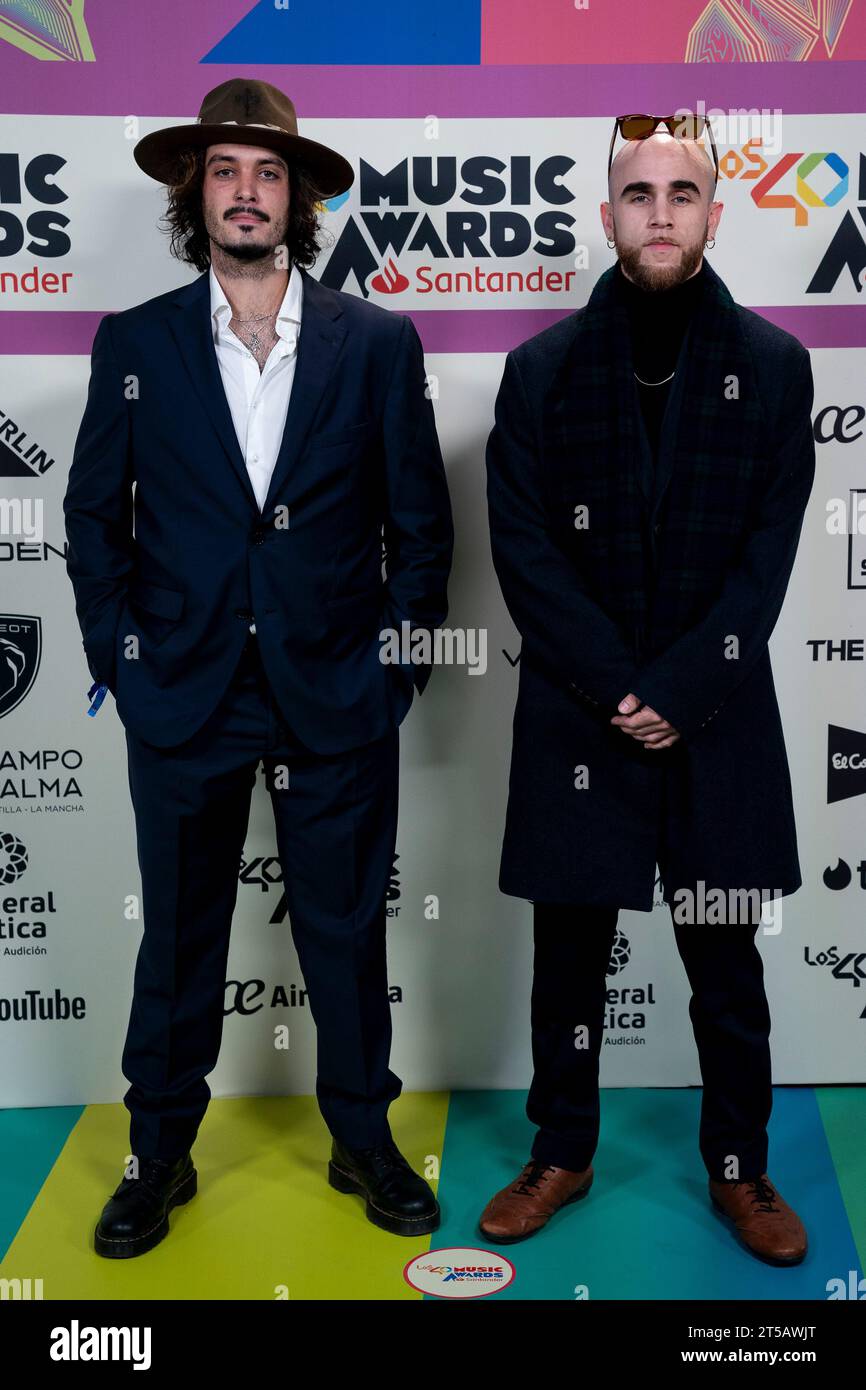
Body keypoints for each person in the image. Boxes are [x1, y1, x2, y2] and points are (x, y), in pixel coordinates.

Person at [63, 78, 453, 1258]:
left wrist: (394, 670)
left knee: (343, 929)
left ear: (298, 196)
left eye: (268, 171)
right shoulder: (134, 341)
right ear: (197, 191)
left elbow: (421, 524)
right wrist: (121, 663)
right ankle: (157, 1155)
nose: (246, 191)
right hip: (181, 693)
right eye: (226, 170)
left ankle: (360, 1137)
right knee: (177, 936)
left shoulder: (376, 343)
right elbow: (92, 521)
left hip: (336, 690)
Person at [481, 114, 814, 1265]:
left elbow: (763, 559)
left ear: (713, 214)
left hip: (716, 718)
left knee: (724, 964)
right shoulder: (537, 373)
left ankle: (741, 1167)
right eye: (638, 193)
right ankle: (560, 1148)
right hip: (582, 715)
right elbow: (522, 551)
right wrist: (621, 688)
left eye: (681, 192)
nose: (659, 211)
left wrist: (678, 686)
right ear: (606, 212)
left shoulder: (773, 367)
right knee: (567, 958)